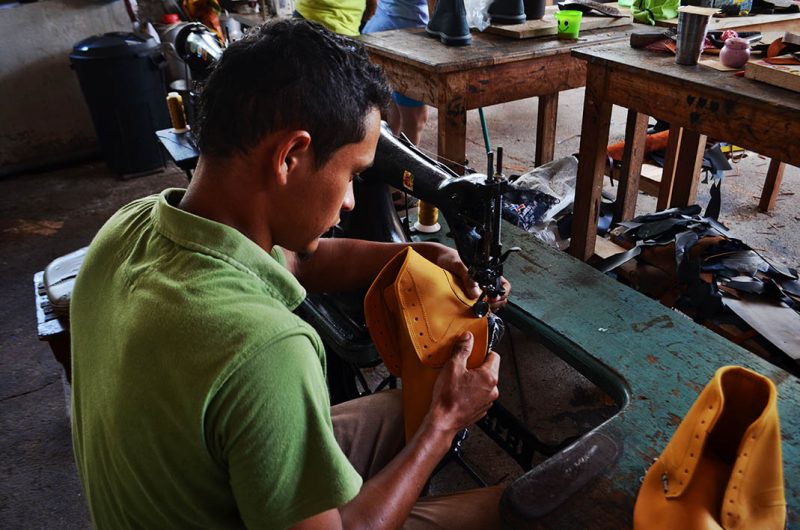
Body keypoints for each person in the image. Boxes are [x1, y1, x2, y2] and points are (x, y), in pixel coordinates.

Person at [71, 19, 511, 529]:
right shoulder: (264, 346)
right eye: (351, 175)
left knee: (399, 409)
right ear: (289, 157)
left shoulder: (129, 226)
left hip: (176, 493)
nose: (350, 200)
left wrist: (421, 255)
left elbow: (302, 258)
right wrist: (443, 425)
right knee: (516, 507)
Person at [362, 0, 433, 145]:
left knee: (393, 117)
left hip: (379, 29)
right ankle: (406, 167)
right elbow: (438, 12)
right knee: (414, 120)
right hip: (405, 39)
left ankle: (386, 165)